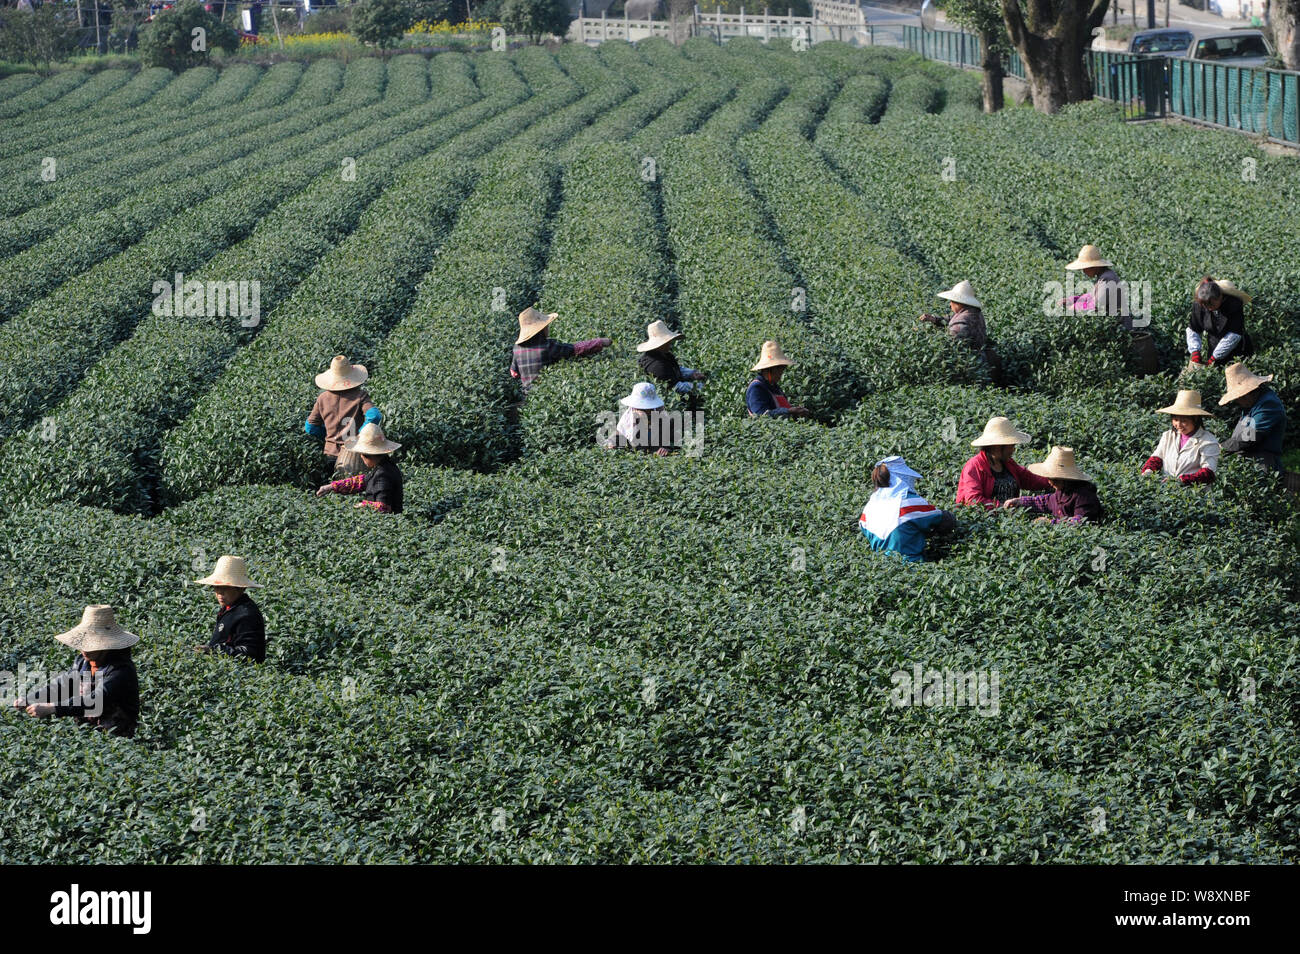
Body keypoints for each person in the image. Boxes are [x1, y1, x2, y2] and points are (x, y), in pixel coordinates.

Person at [13, 605, 140, 738]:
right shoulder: (83, 662)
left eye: (91, 644)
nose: (84, 649)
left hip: (117, 738)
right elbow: (62, 686)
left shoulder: (120, 670)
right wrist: (30, 698)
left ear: (106, 645)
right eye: (82, 643)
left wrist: (52, 708)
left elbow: (95, 700)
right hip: (87, 733)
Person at [859, 456, 955, 562]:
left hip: (880, 565)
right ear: (901, 478)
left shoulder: (869, 507)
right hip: (912, 566)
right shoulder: (908, 502)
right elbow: (943, 519)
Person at [305, 355, 382, 478]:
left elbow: (310, 427)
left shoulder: (323, 398)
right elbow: (374, 416)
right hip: (354, 453)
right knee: (354, 488)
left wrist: (329, 437)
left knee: (332, 489)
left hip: (330, 454)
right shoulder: (360, 395)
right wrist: (360, 435)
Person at [955, 417, 1054, 508]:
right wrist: (1002, 507)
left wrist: (1054, 480)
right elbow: (973, 500)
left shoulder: (1008, 463)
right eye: (1011, 446)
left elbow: (1030, 479)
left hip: (1011, 518)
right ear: (998, 446)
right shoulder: (974, 467)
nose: (1013, 450)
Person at [509, 307, 611, 392]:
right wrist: (599, 342)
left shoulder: (517, 348)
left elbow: (514, 373)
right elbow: (575, 349)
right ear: (540, 330)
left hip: (529, 394)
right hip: (546, 391)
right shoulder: (548, 346)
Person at [1002, 446, 1105, 524]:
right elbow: (1044, 502)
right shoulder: (1061, 492)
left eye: (1054, 479)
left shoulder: (1084, 496)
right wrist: (1020, 501)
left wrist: (1050, 523)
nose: (1049, 482)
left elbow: (1080, 521)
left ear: (1066, 478)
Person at [192, 556, 267, 663]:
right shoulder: (229, 609)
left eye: (225, 587)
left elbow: (250, 655)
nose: (219, 593)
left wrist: (214, 650)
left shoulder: (246, 615)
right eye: (217, 587)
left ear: (240, 588)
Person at [317, 423, 404, 512]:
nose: (361, 457)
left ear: (370, 455)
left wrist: (361, 505)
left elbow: (384, 507)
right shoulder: (386, 466)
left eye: (362, 455)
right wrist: (332, 486)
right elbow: (362, 481)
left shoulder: (383, 474)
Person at [1139, 390, 1220, 485]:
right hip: (1167, 493)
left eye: (1184, 421)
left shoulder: (1208, 441)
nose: (1178, 425)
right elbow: (1157, 458)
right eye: (1175, 419)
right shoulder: (1168, 436)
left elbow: (1208, 473)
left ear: (1196, 418)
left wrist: (1182, 481)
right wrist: (1149, 471)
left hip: (1196, 496)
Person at [1219, 362, 1287, 473]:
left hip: (1262, 465)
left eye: (1238, 397)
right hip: (1247, 463)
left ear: (1248, 393)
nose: (1237, 401)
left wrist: (1222, 447)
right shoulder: (1251, 405)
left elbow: (1249, 437)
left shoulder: (1268, 404)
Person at [1063, 244, 1133, 331]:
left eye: (1085, 268)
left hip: (1120, 329)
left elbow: (1097, 305)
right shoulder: (1103, 276)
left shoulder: (1107, 278)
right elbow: (1092, 296)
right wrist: (1074, 299)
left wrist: (1075, 307)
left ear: (1094, 266)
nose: (1083, 271)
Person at [1187, 278, 1252, 369]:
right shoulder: (1200, 305)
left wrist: (1214, 357)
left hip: (1237, 350)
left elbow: (1233, 335)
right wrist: (1195, 352)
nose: (1208, 308)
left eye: (1211, 305)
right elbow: (1194, 328)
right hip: (1214, 346)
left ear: (1220, 297)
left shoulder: (1234, 304)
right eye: (1205, 305)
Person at [636, 320, 707, 396]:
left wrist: (692, 373)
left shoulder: (664, 354)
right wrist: (701, 387)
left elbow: (674, 369)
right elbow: (675, 387)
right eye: (666, 341)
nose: (669, 343)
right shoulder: (656, 365)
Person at [603, 382, 673, 455]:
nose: (639, 410)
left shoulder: (663, 419)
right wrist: (611, 443)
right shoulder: (628, 418)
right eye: (638, 408)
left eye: (645, 409)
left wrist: (665, 449)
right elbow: (618, 434)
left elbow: (670, 441)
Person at [746, 340, 811, 418]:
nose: (781, 374)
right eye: (780, 371)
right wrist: (789, 411)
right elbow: (760, 415)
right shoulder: (756, 388)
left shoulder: (774, 387)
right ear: (770, 369)